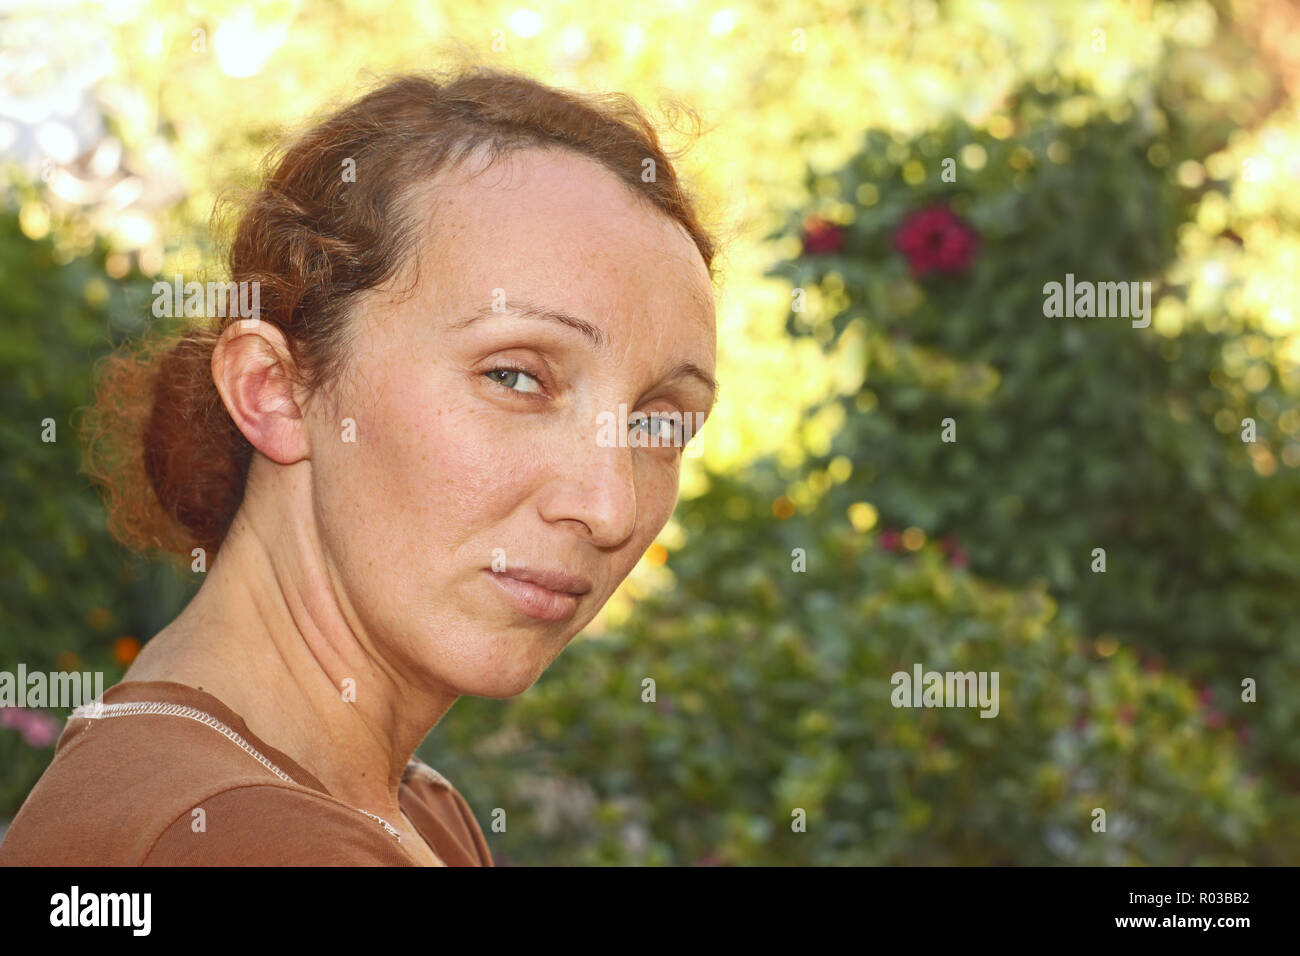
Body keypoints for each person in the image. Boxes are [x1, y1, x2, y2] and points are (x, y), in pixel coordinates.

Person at [0, 64, 720, 866]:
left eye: (659, 422)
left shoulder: (400, 809)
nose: (611, 505)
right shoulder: (240, 839)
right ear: (274, 391)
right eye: (514, 376)